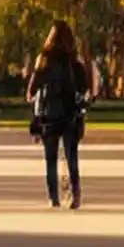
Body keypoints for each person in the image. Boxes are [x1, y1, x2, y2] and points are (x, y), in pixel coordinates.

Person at [26, 20, 90, 210]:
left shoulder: (44, 60)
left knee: (51, 157)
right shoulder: (74, 63)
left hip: (49, 114)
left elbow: (32, 87)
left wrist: (33, 98)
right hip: (70, 113)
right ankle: (75, 192)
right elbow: (84, 89)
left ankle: (53, 196)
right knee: (71, 156)